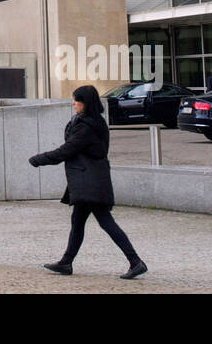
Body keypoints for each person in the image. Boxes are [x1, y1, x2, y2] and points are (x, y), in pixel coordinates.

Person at [30, 84, 146, 280]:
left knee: (106, 222)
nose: (74, 103)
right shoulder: (91, 122)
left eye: (78, 100)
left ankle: (136, 262)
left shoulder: (87, 127)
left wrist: (39, 159)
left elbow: (67, 150)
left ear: (87, 103)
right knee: (78, 222)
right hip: (90, 180)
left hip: (90, 181)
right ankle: (66, 262)